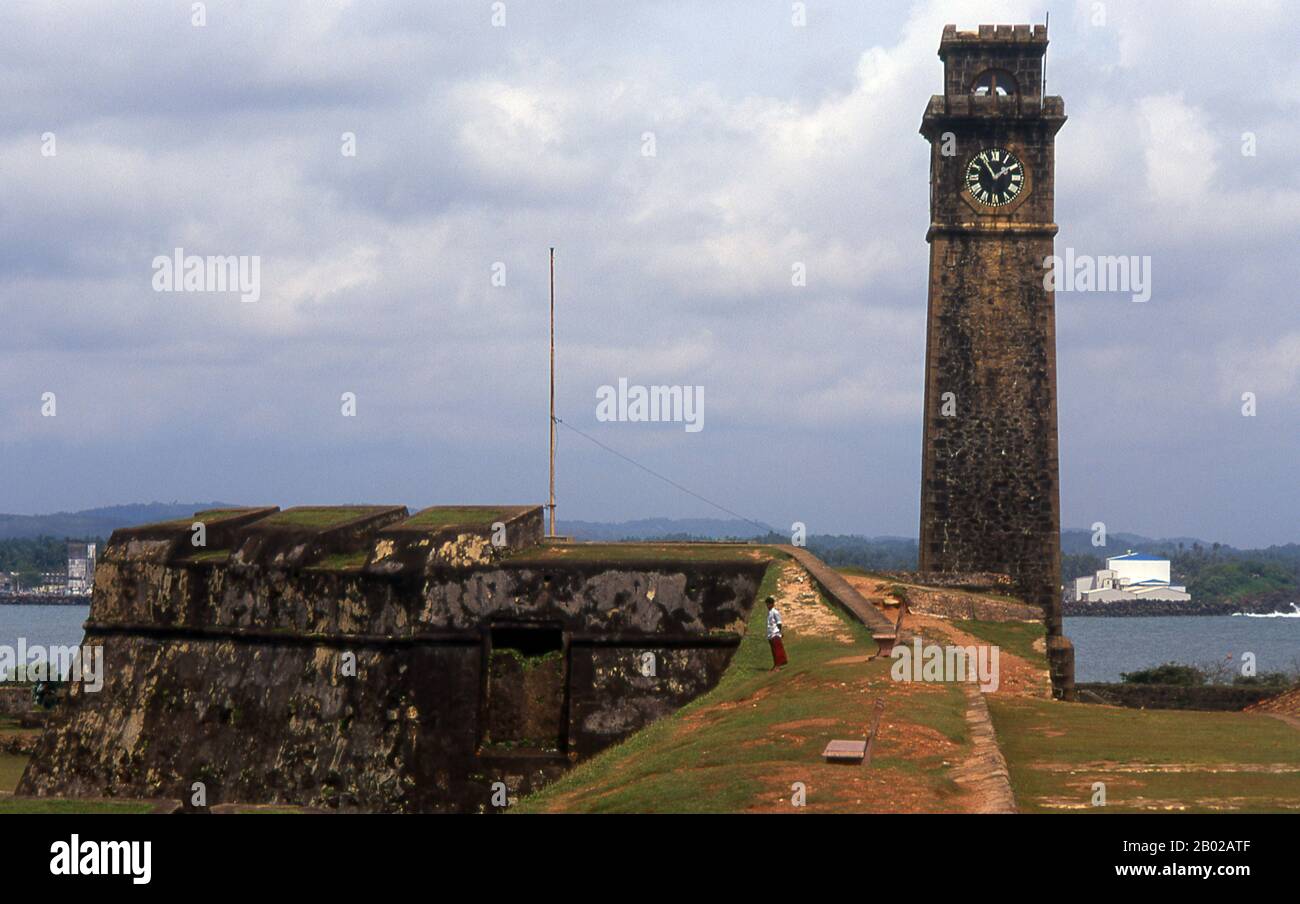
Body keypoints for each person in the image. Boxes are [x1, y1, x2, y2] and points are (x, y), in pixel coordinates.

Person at [765, 595, 788, 670]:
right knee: (774, 650)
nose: (767, 606)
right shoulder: (769, 613)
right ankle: (775, 664)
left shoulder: (775, 612)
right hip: (770, 634)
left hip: (775, 633)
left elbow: (779, 623)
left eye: (768, 604)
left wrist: (779, 632)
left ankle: (778, 665)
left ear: (772, 604)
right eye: (767, 604)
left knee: (778, 650)